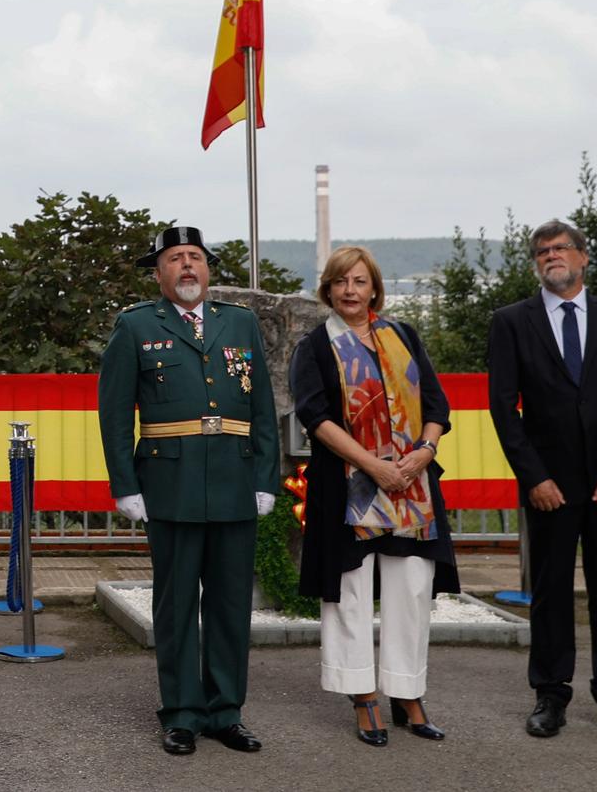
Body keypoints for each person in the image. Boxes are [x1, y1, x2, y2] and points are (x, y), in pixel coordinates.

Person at [98, 225, 280, 756]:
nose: (186, 267)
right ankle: (180, 712)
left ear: (208, 268)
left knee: (228, 605)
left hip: (234, 480)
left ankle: (226, 712)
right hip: (169, 484)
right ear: (158, 273)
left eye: (194, 258)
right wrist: (125, 485)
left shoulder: (240, 324)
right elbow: (113, 415)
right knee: (176, 604)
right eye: (175, 259)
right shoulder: (135, 327)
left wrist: (266, 478)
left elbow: (263, 408)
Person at [488, 219, 597, 743]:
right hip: (549, 488)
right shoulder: (512, 322)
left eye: (560, 248)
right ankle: (550, 696)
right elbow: (503, 408)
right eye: (541, 252)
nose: (550, 256)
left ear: (583, 257)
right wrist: (533, 476)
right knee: (551, 593)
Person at [290, 245, 458, 747]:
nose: (350, 291)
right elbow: (314, 417)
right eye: (341, 282)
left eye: (359, 282)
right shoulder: (315, 346)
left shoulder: (402, 335)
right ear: (328, 289)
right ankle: (361, 694)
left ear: (374, 288)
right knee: (352, 595)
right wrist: (373, 467)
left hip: (411, 487)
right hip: (348, 489)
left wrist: (423, 452)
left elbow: (436, 403)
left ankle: (407, 694)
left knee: (410, 590)